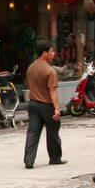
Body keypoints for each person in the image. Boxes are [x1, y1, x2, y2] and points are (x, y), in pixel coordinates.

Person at [24, 40, 65, 169]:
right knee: (52, 132)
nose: (53, 54)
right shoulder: (50, 70)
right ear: (44, 53)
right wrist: (57, 108)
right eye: (51, 51)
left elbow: (29, 85)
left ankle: (29, 160)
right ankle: (55, 158)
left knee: (33, 132)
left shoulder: (31, 68)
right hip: (46, 105)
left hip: (33, 104)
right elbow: (52, 90)